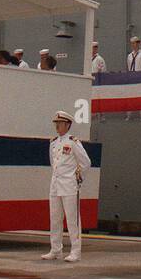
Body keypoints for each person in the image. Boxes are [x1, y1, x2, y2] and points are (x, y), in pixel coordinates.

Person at [41, 111, 91, 263]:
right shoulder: (54, 143)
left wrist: (78, 177)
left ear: (67, 125)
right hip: (55, 184)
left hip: (69, 185)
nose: (57, 126)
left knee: (72, 220)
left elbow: (85, 162)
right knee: (54, 218)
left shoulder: (73, 142)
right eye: (56, 123)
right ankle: (55, 249)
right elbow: (53, 163)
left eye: (60, 123)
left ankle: (76, 251)